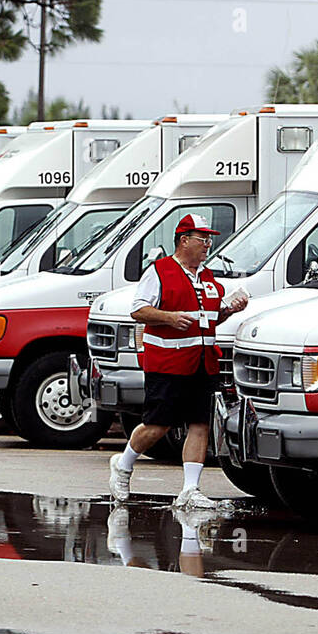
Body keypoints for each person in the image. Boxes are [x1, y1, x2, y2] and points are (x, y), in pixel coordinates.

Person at [109, 213, 247, 508]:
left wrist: (230, 309)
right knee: (158, 425)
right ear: (184, 241)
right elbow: (138, 310)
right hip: (167, 364)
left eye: (209, 239)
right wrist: (169, 318)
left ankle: (190, 490)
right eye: (202, 239)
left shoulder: (208, 279)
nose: (208, 245)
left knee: (200, 424)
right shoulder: (159, 271)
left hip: (202, 363)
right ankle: (123, 464)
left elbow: (210, 319)